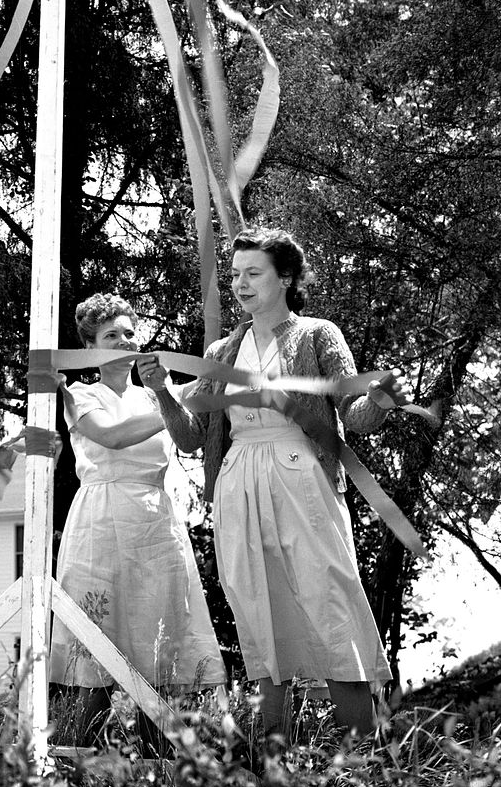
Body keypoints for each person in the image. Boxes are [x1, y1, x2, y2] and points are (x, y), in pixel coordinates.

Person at [142, 227, 410, 741]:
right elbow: (192, 438)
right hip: (238, 480)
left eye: (253, 273)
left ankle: (362, 756)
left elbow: (354, 417)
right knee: (254, 604)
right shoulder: (222, 349)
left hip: (302, 474)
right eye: (234, 274)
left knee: (329, 598)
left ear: (285, 277)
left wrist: (379, 399)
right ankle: (273, 756)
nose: (240, 284)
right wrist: (163, 393)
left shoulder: (317, 334)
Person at [48, 293, 227, 751]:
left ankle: (158, 762)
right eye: (111, 335)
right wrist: (171, 404)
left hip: (155, 522)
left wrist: (175, 390)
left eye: (130, 333)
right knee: (96, 651)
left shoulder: (154, 393)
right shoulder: (79, 394)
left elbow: (196, 419)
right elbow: (111, 436)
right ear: (90, 347)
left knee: (159, 651)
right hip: (101, 520)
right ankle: (77, 761)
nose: (125, 341)